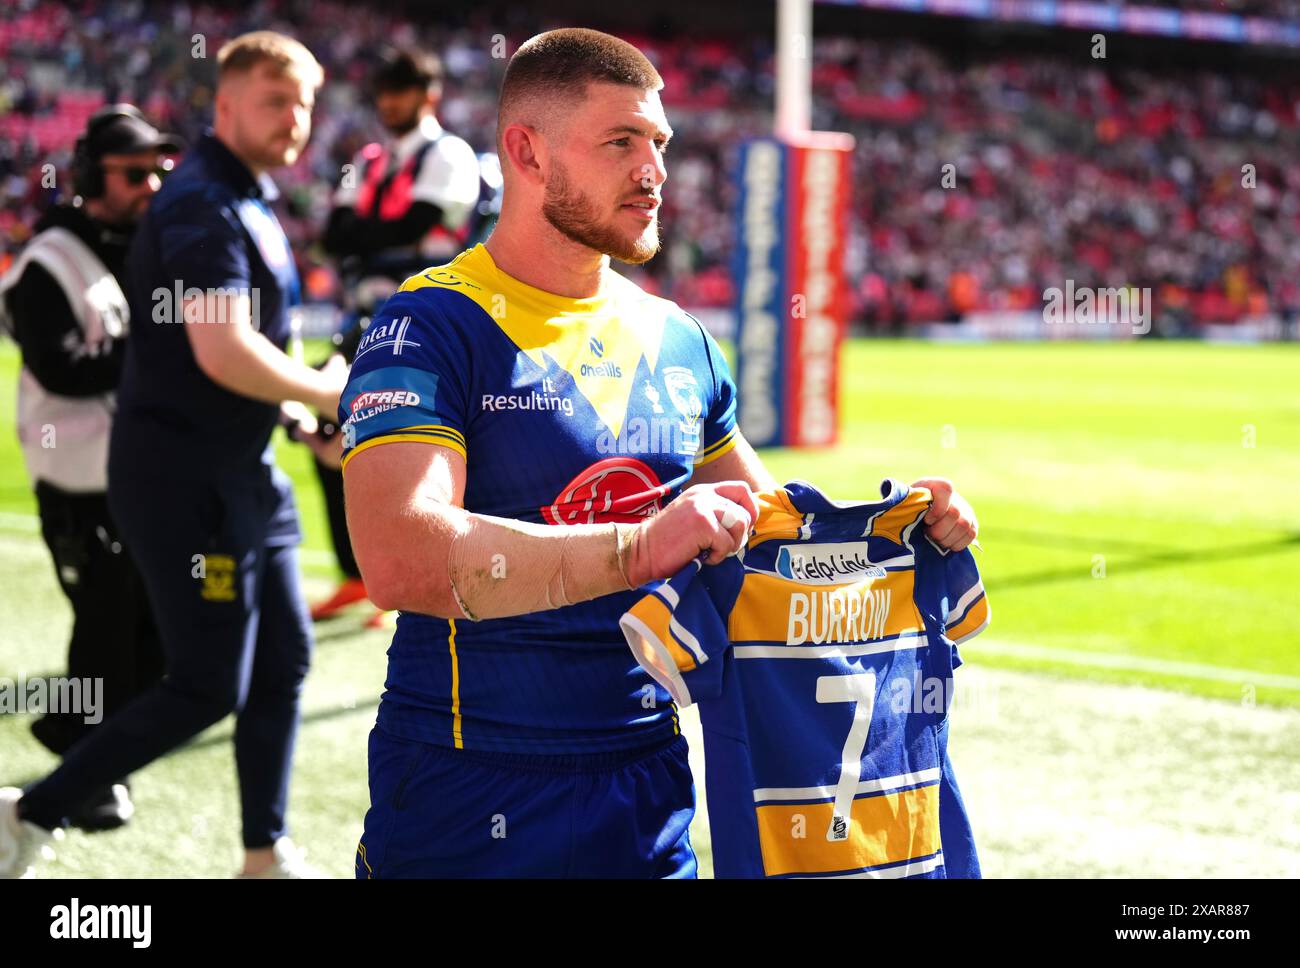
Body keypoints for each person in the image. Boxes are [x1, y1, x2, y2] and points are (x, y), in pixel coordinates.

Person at [338, 28, 979, 878]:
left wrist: (895, 536)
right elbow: (398, 555)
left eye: (659, 144)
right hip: (467, 789)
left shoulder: (677, 340)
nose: (655, 170)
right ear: (525, 152)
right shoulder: (426, 327)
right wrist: (639, 548)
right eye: (620, 142)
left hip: (648, 795)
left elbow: (767, 542)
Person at [0, 31, 347, 879]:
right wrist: (327, 395)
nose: (294, 119)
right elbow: (222, 351)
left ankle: (263, 852)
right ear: (224, 104)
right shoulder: (201, 204)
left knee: (286, 660)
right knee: (203, 684)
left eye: (304, 102)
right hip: (184, 483)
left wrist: (301, 417)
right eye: (275, 99)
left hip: (246, 474)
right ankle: (28, 812)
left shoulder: (249, 197)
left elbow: (245, 356)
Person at [0, 104, 175, 831]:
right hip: (78, 479)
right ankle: (89, 774)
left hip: (138, 475)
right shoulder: (49, 259)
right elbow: (63, 371)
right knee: (106, 629)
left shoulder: (143, 246)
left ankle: (78, 742)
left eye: (161, 171)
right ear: (87, 176)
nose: (153, 185)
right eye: (135, 173)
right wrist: (161, 347)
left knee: (153, 632)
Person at [309, 46, 483, 627]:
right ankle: (359, 575)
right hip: (363, 315)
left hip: (427, 315)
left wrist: (365, 235)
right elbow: (335, 236)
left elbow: (412, 226)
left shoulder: (451, 153)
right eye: (382, 91)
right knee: (323, 427)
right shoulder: (367, 157)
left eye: (400, 90)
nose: (388, 102)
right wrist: (374, 238)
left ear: (428, 94)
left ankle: (441, 571)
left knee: (426, 440)